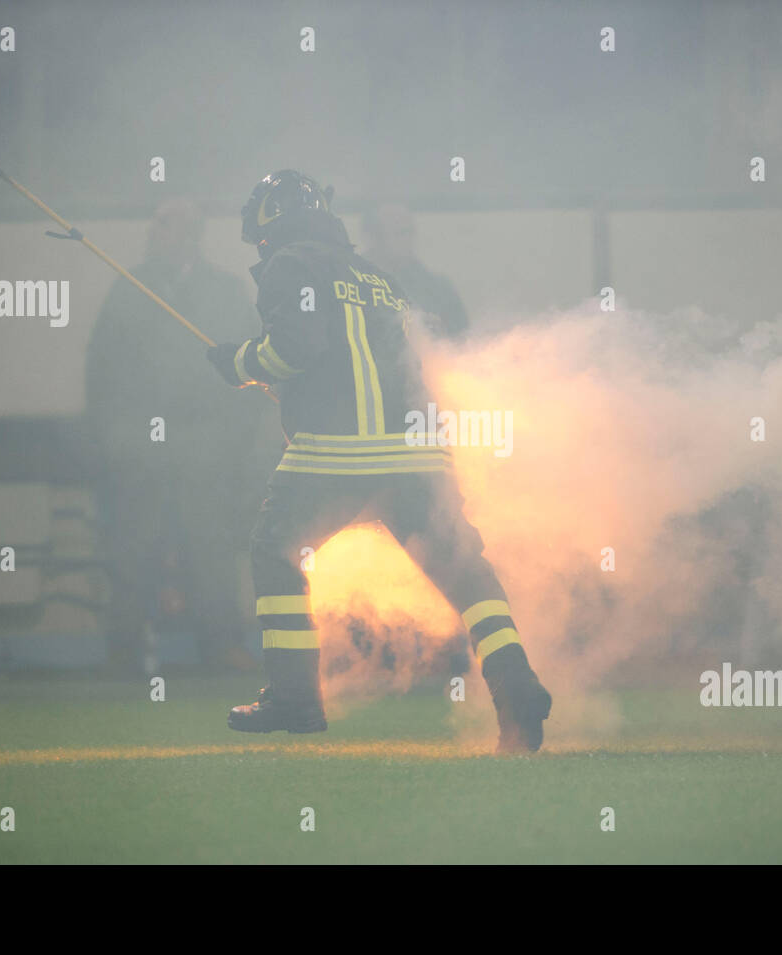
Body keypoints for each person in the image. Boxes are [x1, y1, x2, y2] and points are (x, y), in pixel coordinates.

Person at [206, 171, 551, 752]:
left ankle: (294, 697)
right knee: (466, 575)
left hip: (337, 453)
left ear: (271, 220)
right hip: (419, 454)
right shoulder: (379, 278)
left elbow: (295, 346)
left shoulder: (290, 264)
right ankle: (516, 686)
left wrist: (239, 362)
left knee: (275, 551)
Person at [85, 199, 279, 672]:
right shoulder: (129, 288)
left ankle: (222, 646)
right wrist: (117, 440)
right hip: (139, 448)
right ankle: (125, 649)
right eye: (159, 227)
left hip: (206, 448)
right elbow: (102, 374)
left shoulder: (227, 292)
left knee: (211, 552)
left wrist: (232, 445)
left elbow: (249, 372)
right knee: (133, 551)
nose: (162, 235)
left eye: (173, 227)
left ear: (195, 233)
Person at [361, 202, 469, 341]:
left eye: (410, 232)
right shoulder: (351, 285)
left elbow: (463, 343)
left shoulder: (439, 290)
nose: (409, 239)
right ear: (372, 238)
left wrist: (441, 338)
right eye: (400, 233)